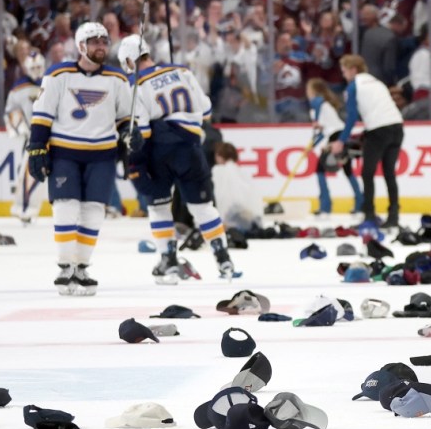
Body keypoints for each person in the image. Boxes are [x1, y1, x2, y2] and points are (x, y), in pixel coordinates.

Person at [27, 21, 139, 295]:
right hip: (65, 152)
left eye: (104, 42)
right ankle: (65, 266)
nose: (101, 46)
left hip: (102, 155)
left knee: (94, 211)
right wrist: (37, 146)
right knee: (65, 206)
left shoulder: (117, 78)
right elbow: (42, 113)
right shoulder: (58, 74)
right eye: (95, 42)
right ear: (81, 46)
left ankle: (82, 267)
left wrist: (129, 135)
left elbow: (125, 117)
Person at [119, 34, 238, 284]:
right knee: (203, 207)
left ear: (129, 61)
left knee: (159, 206)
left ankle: (169, 262)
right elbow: (205, 109)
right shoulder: (182, 71)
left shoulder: (134, 85)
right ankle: (223, 259)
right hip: (191, 147)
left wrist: (136, 160)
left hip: (159, 149)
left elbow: (143, 132)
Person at [331, 54, 404, 227]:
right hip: (397, 126)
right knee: (389, 173)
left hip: (378, 130)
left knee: (367, 173)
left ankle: (369, 216)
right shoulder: (377, 83)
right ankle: (393, 216)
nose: (343, 75)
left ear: (353, 69)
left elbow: (352, 118)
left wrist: (341, 140)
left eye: (344, 71)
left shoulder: (353, 86)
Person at [306, 77, 362, 216]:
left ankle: (326, 206)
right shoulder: (317, 109)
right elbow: (322, 132)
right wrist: (312, 145)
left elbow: (319, 108)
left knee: (320, 170)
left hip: (337, 137)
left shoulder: (320, 104)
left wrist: (317, 122)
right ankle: (360, 203)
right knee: (348, 171)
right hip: (338, 136)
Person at [6, 50, 47, 224]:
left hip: (53, 134)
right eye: (33, 67)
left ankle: (27, 207)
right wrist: (18, 125)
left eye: (39, 67)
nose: (37, 70)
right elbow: (11, 111)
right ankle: (24, 206)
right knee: (28, 170)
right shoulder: (18, 87)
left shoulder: (51, 81)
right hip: (32, 136)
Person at [212, 142, 263, 232]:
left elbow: (224, 199)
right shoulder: (241, 172)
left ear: (220, 156)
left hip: (234, 220)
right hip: (251, 218)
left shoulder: (220, 171)